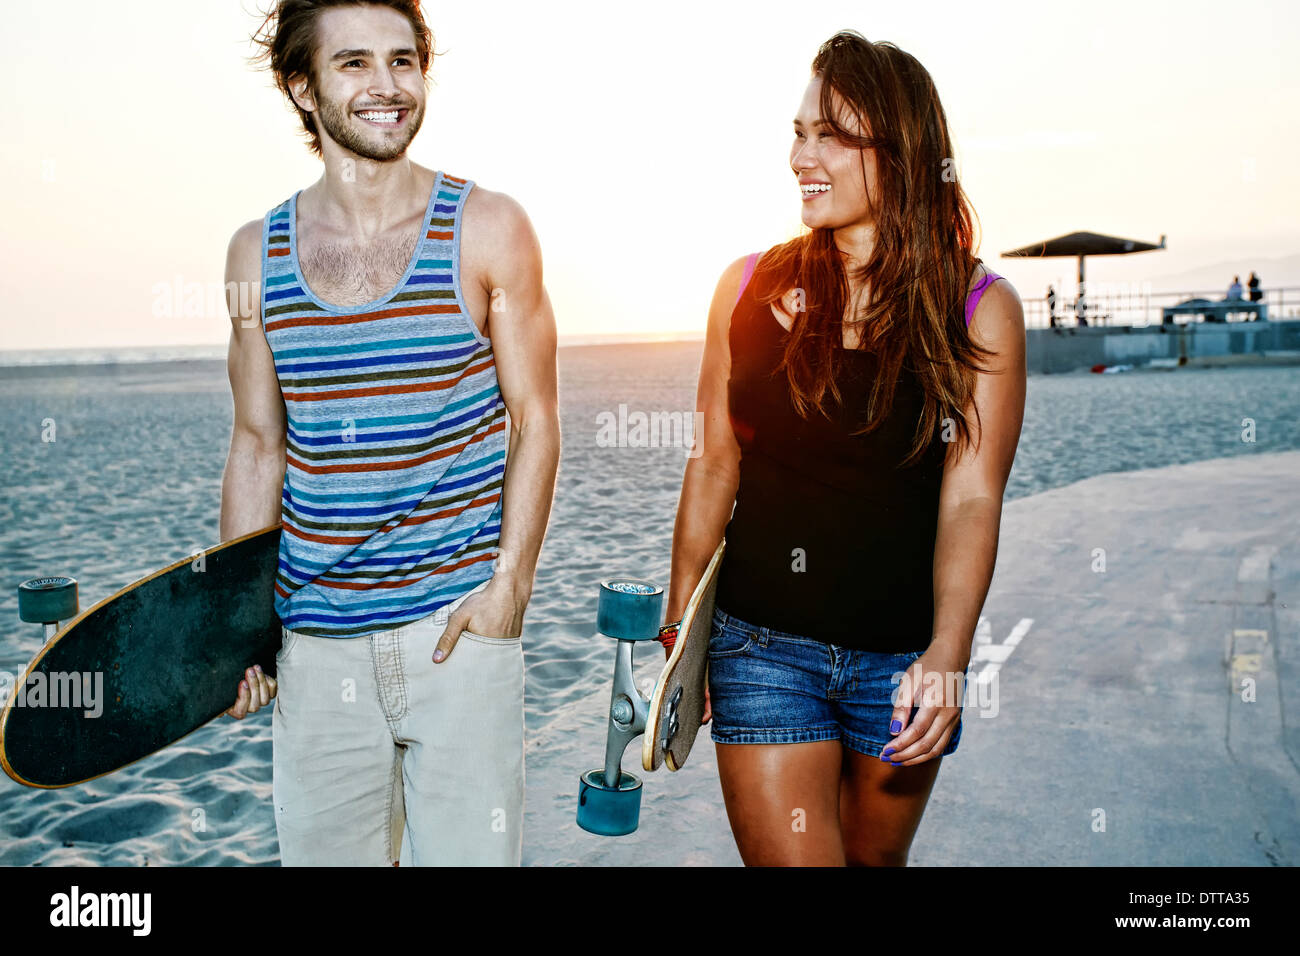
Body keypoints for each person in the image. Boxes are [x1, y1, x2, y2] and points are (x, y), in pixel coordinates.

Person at [664, 31, 1025, 866]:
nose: (802, 156)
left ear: (899, 153)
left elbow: (972, 497)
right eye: (797, 132)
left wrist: (948, 653)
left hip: (902, 661)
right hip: (761, 645)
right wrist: (684, 626)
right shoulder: (748, 285)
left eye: (831, 134)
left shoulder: (978, 307)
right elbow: (715, 459)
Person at [219, 0, 560, 866]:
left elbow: (537, 417)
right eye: (355, 64)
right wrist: (235, 625)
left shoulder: (488, 228)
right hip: (316, 645)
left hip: (457, 635)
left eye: (404, 62)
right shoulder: (257, 254)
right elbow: (258, 443)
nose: (387, 87)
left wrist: (509, 588)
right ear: (303, 87)